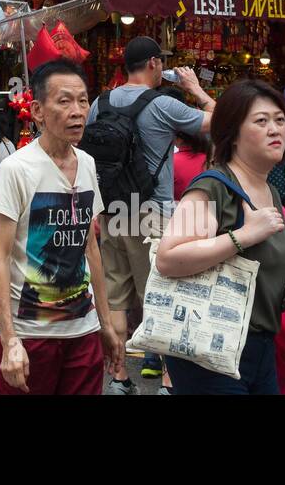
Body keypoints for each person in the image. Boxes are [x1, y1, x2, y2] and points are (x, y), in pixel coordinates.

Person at [156, 80, 285, 394]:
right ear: (232, 133)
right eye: (261, 121)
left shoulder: (270, 191)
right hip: (209, 350)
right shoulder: (211, 187)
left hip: (260, 346)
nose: (276, 129)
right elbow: (168, 258)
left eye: (280, 119)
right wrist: (243, 235)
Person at [85, 35, 214, 394]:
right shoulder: (161, 105)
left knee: (115, 299)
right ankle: (169, 383)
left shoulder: (100, 102)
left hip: (113, 212)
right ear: (154, 64)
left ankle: (119, 378)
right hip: (152, 215)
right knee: (160, 297)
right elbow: (223, 122)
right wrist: (196, 89)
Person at [0, 60, 123, 395]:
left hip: (82, 331)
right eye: (64, 101)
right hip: (30, 334)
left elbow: (90, 247)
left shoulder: (88, 164)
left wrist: (105, 324)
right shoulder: (16, 168)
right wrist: (9, 339)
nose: (77, 111)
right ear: (37, 111)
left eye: (82, 100)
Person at [171, 127, 209, 201]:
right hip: (208, 208)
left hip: (180, 209)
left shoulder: (172, 161)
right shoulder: (209, 160)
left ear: (180, 139)